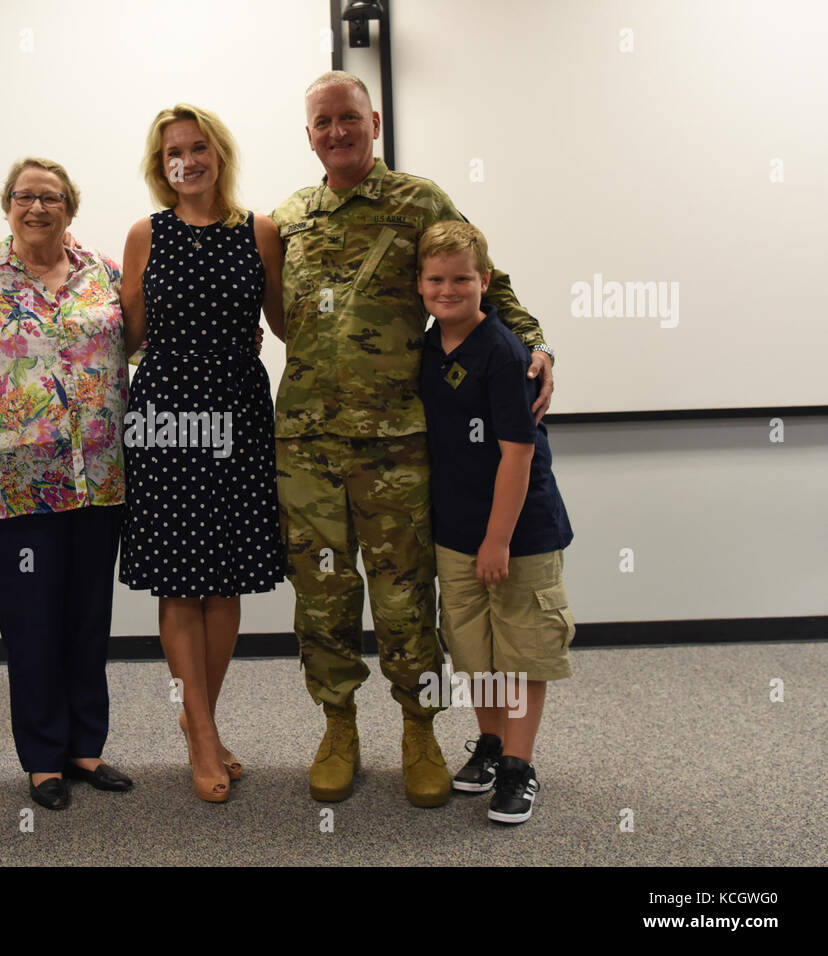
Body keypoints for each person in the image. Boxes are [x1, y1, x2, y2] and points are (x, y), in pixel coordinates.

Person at [271, 71, 556, 807]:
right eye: (323, 122)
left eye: (349, 118)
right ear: (309, 135)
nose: (337, 132)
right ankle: (338, 725)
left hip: (395, 440)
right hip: (305, 441)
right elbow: (277, 313)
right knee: (323, 595)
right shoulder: (288, 216)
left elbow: (485, 278)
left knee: (403, 596)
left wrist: (535, 344)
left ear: (374, 123)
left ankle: (419, 727)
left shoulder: (417, 201)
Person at [0, 158, 133, 812]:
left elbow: (143, 343)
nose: (37, 207)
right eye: (25, 196)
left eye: (51, 197)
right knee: (31, 623)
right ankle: (42, 758)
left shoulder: (106, 274)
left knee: (88, 618)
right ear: (8, 205)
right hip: (18, 484)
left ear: (69, 207)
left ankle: (87, 747)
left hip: (98, 477)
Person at [118, 104, 286, 803]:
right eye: (171, 153)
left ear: (218, 153)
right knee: (180, 579)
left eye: (197, 147)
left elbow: (283, 324)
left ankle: (200, 726)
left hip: (240, 413)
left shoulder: (261, 231)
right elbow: (126, 336)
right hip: (164, 417)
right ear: (161, 169)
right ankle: (206, 737)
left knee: (227, 578)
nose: (186, 160)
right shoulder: (144, 234)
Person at [417, 221, 573, 824]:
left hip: (516, 532)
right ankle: (488, 743)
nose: (448, 289)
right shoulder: (428, 347)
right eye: (436, 279)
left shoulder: (507, 352)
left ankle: (518, 764)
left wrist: (497, 540)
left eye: (462, 278)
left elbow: (518, 452)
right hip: (456, 531)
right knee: (473, 651)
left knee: (522, 649)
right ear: (421, 285)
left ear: (486, 281)